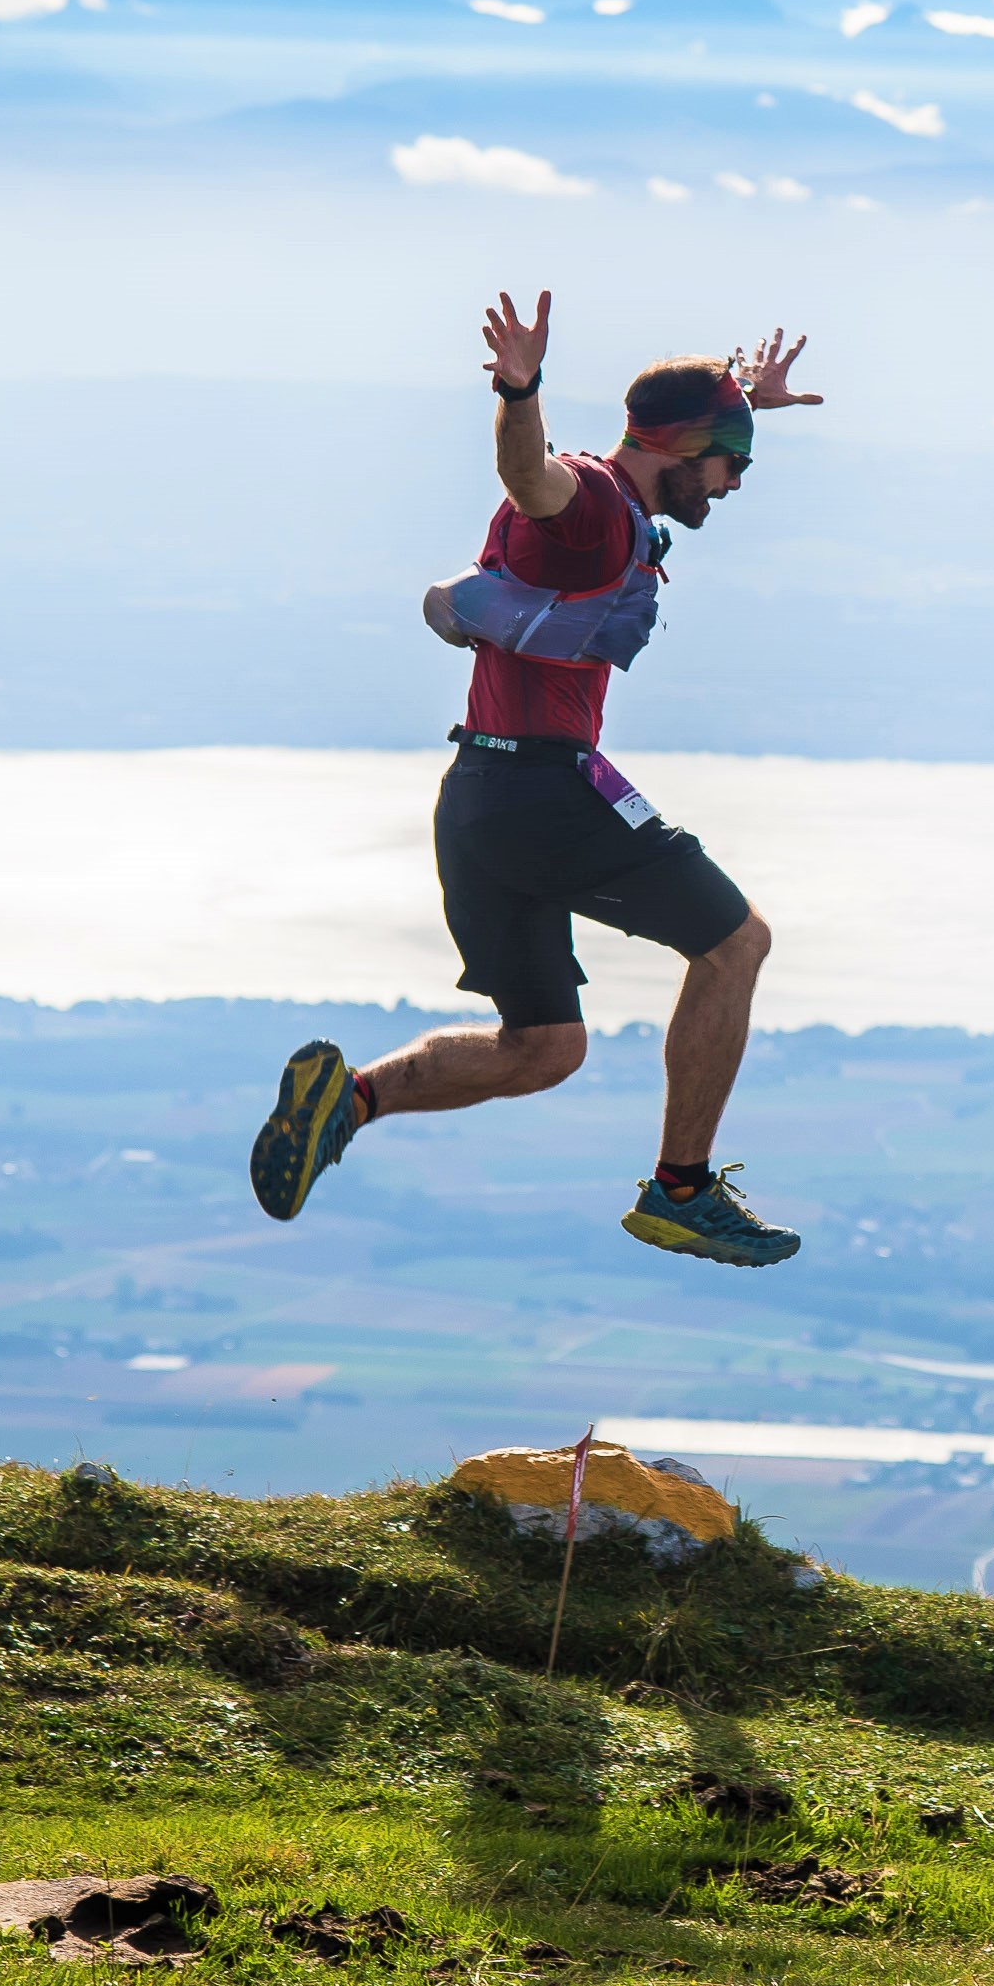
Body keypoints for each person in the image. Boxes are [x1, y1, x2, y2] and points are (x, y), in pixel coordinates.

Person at [247, 289, 818, 1268]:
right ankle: (681, 1193)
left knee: (545, 1048)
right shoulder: (589, 511)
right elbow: (532, 479)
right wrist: (519, 391)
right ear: (685, 449)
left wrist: (739, 408)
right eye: (733, 462)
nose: (733, 485)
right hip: (545, 798)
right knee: (736, 944)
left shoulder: (617, 494)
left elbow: (618, 466)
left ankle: (349, 1100)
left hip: (477, 798)